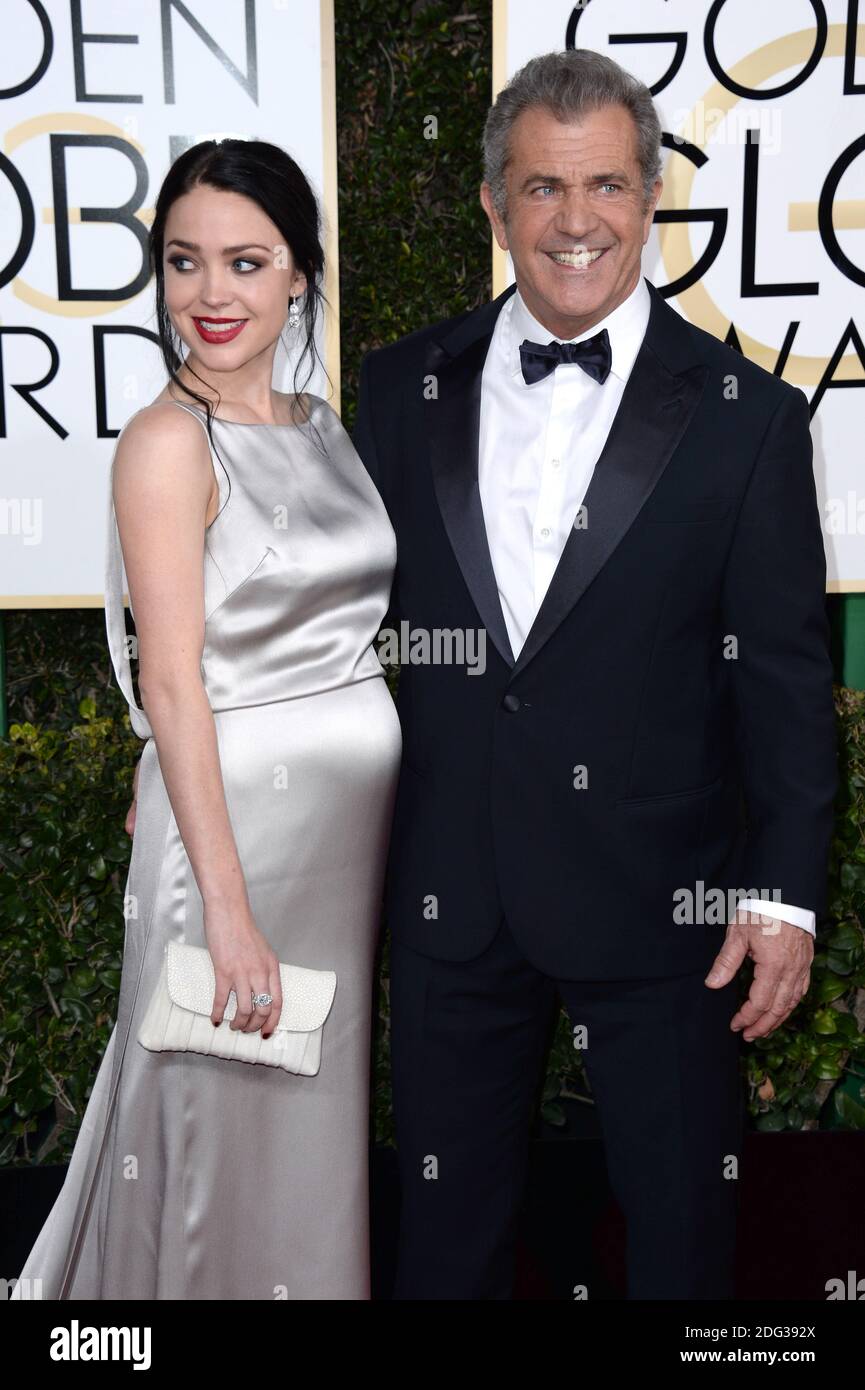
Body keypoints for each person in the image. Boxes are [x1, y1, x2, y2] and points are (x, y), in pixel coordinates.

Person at [352, 50, 838, 1299]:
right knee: (444, 1247)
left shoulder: (749, 419)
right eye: (542, 189)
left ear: (650, 198)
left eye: (607, 186)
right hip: (451, 892)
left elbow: (783, 679)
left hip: (664, 899)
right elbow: (327, 617)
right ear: (492, 204)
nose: (577, 222)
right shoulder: (395, 392)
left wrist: (781, 895)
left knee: (681, 1242)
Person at [12, 139, 401, 1300]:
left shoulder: (323, 423)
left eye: (244, 261)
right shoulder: (168, 442)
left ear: (299, 273)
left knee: (303, 1122)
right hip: (232, 847)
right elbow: (174, 683)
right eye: (185, 263)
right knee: (203, 1106)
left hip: (334, 854)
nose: (210, 295)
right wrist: (227, 913)